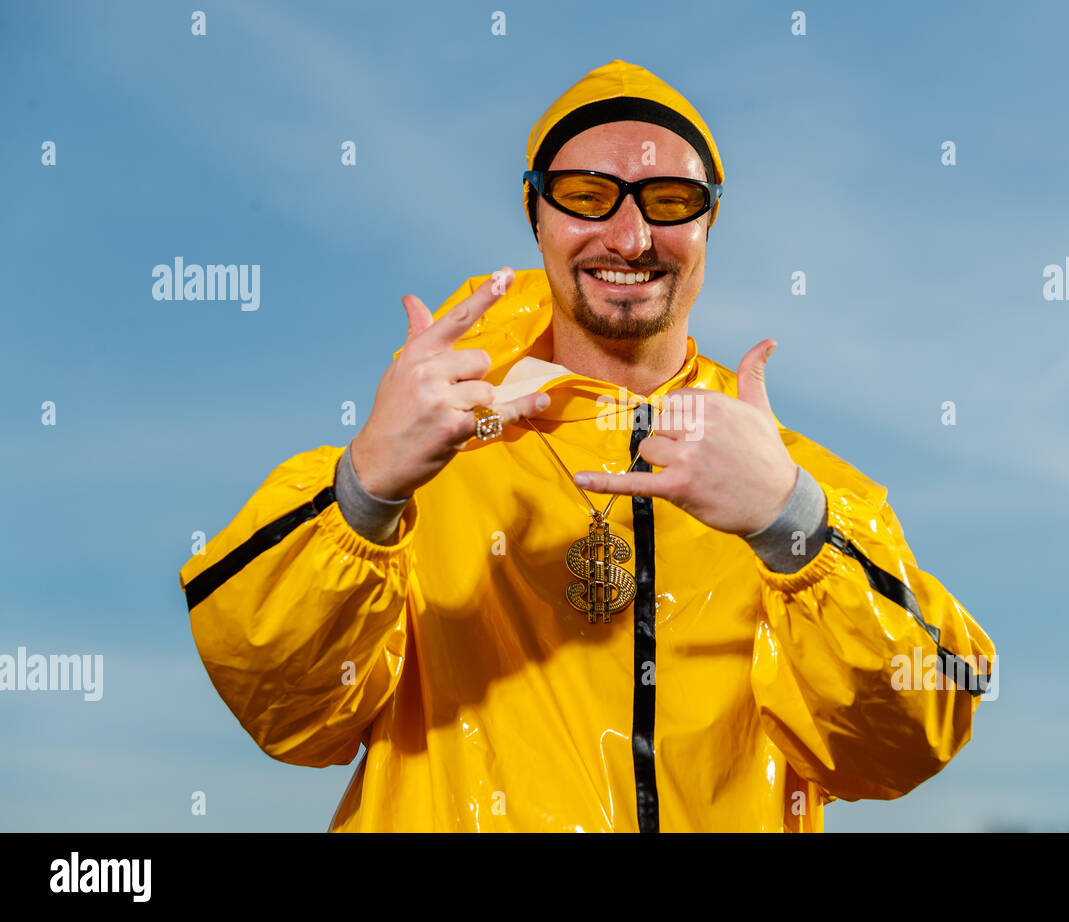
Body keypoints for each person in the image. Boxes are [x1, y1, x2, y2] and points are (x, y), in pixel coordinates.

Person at [178, 59, 996, 833]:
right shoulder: (423, 457)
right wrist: (363, 491)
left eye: (669, 198)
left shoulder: (794, 482)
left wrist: (792, 528)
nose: (631, 236)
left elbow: (897, 746)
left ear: (710, 221)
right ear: (536, 213)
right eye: (586, 195)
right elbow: (288, 713)